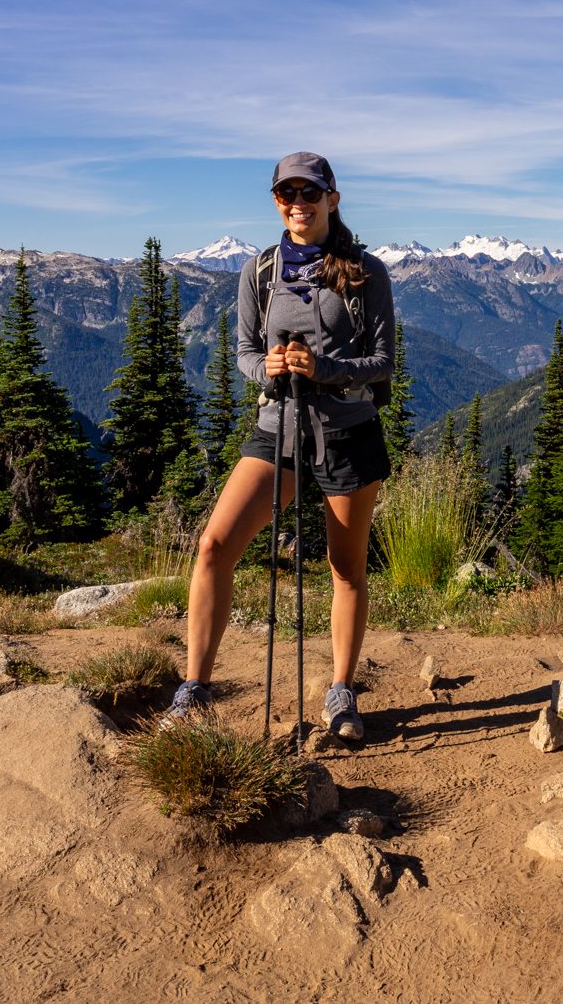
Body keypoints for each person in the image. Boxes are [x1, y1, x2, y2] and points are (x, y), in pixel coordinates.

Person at [164, 152, 394, 741]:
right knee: (214, 545)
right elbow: (244, 351)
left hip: (348, 432)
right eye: (288, 193)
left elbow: (383, 362)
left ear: (332, 199)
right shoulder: (259, 271)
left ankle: (341, 691)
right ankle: (194, 688)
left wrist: (324, 369)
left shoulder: (366, 272)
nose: (299, 203)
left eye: (310, 193)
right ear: (276, 202)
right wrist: (265, 368)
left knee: (346, 568)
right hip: (278, 426)